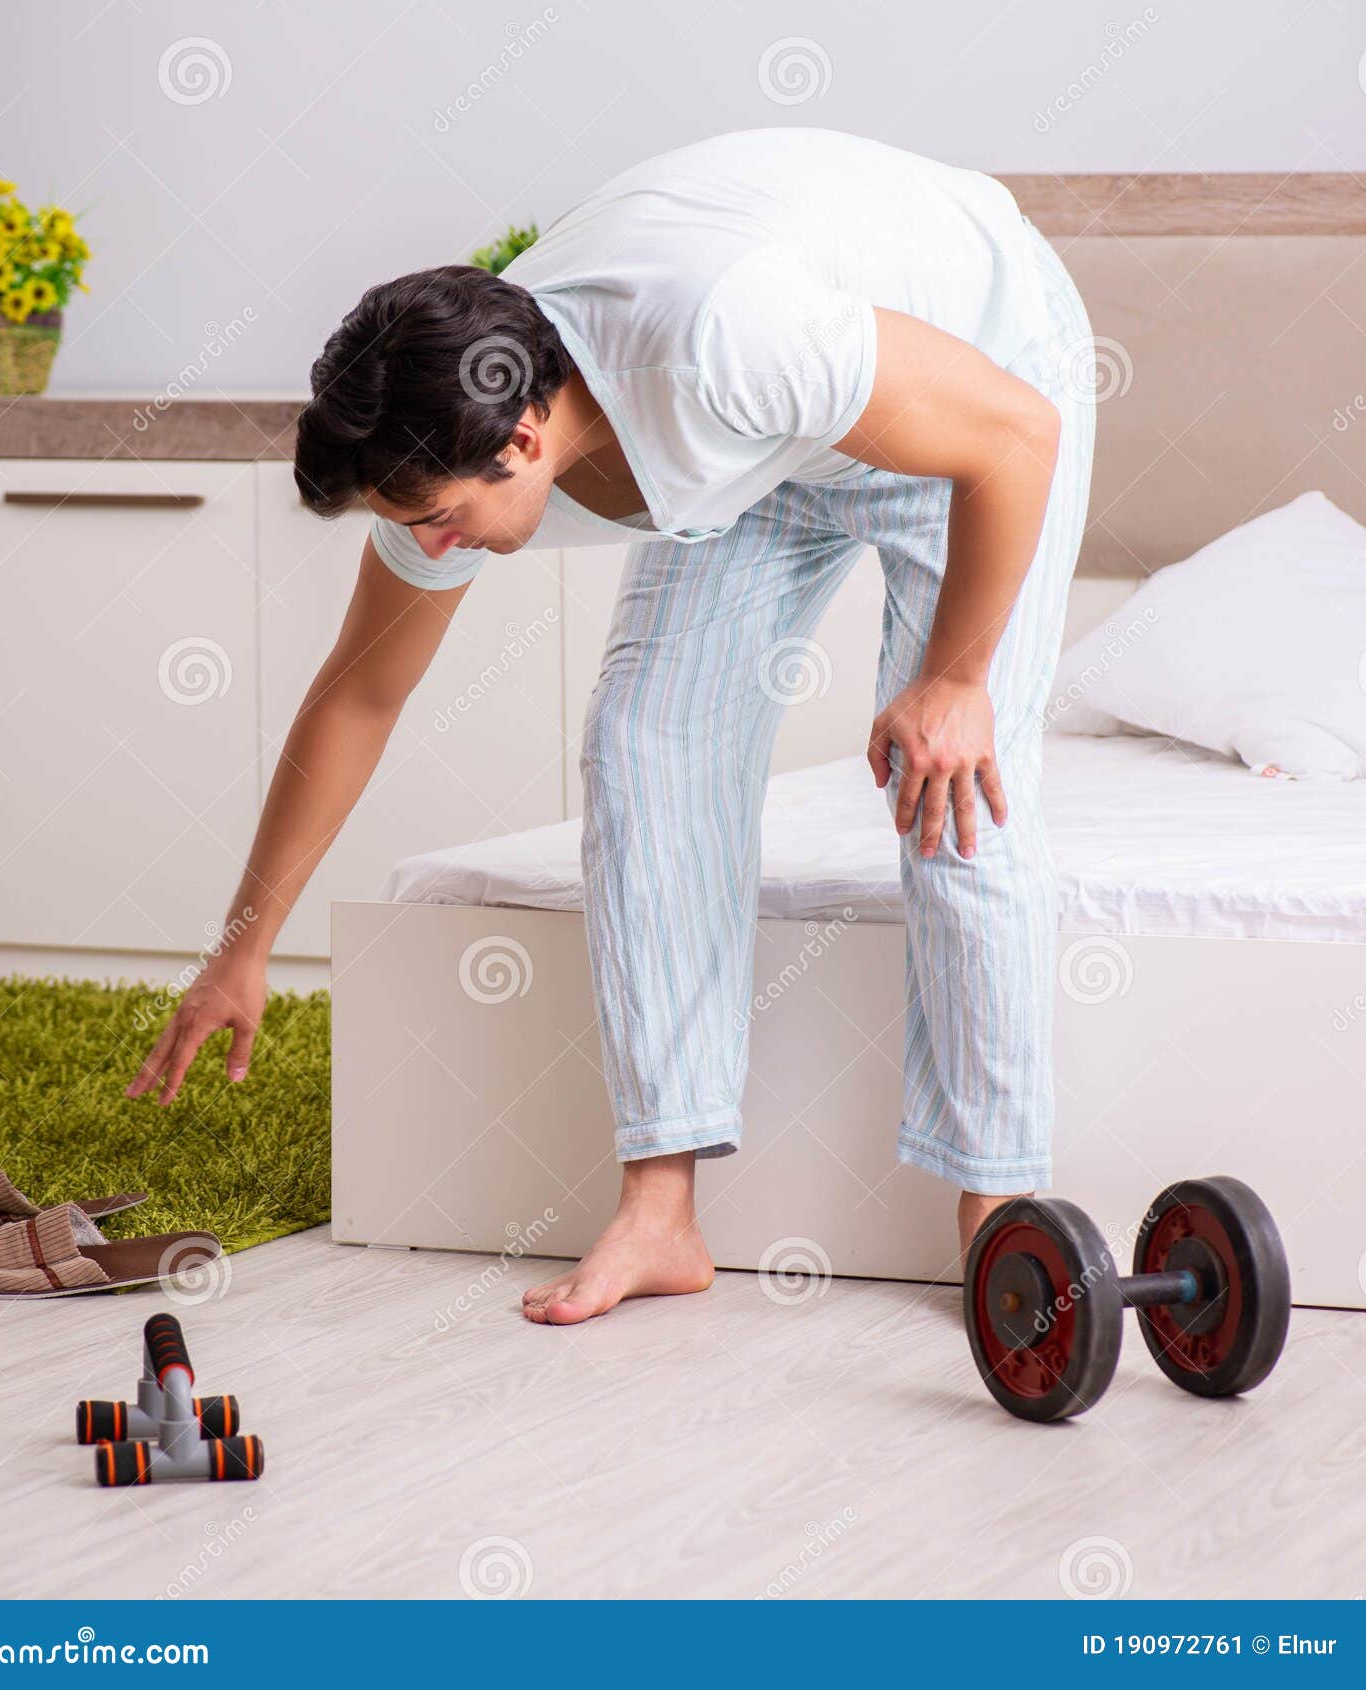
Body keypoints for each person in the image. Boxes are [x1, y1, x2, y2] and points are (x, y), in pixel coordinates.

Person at [127, 128, 1095, 1326]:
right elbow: (359, 695)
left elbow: (1014, 435)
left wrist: (955, 678)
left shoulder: (720, 340)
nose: (429, 546)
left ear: (523, 439)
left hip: (974, 383)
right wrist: (244, 941)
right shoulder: (445, 431)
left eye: (435, 518)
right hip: (772, 436)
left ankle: (998, 1213)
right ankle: (661, 1212)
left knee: (951, 783)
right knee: (648, 747)